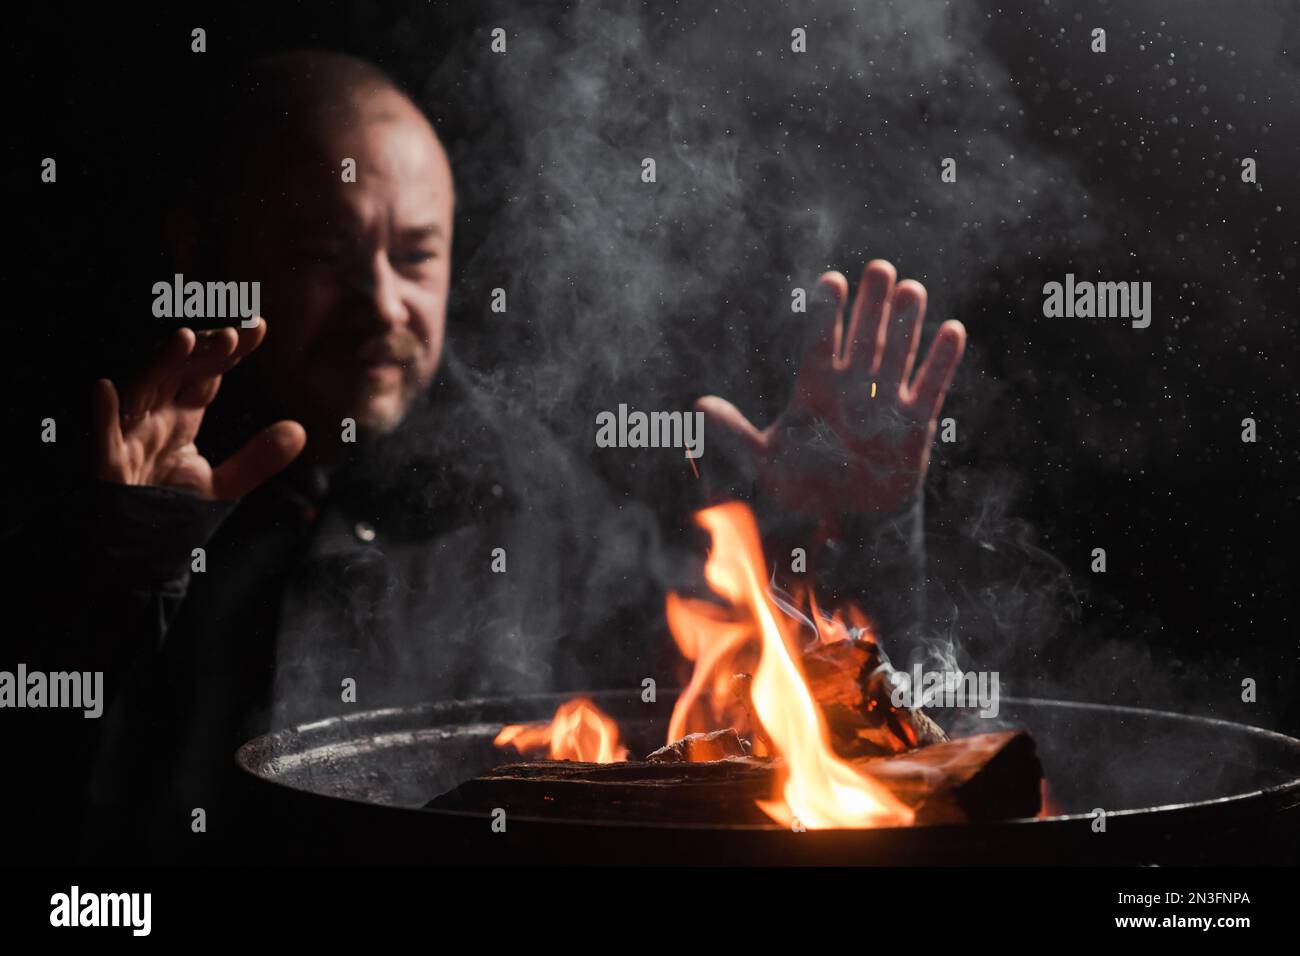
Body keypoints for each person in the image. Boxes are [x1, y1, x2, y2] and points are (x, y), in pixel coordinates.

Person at [9, 50, 964, 862]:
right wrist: (131, 567)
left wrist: (845, 544)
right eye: (328, 255)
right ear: (203, 247)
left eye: (415, 257)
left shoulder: (559, 518)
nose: (381, 305)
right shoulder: (94, 491)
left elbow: (826, 777)